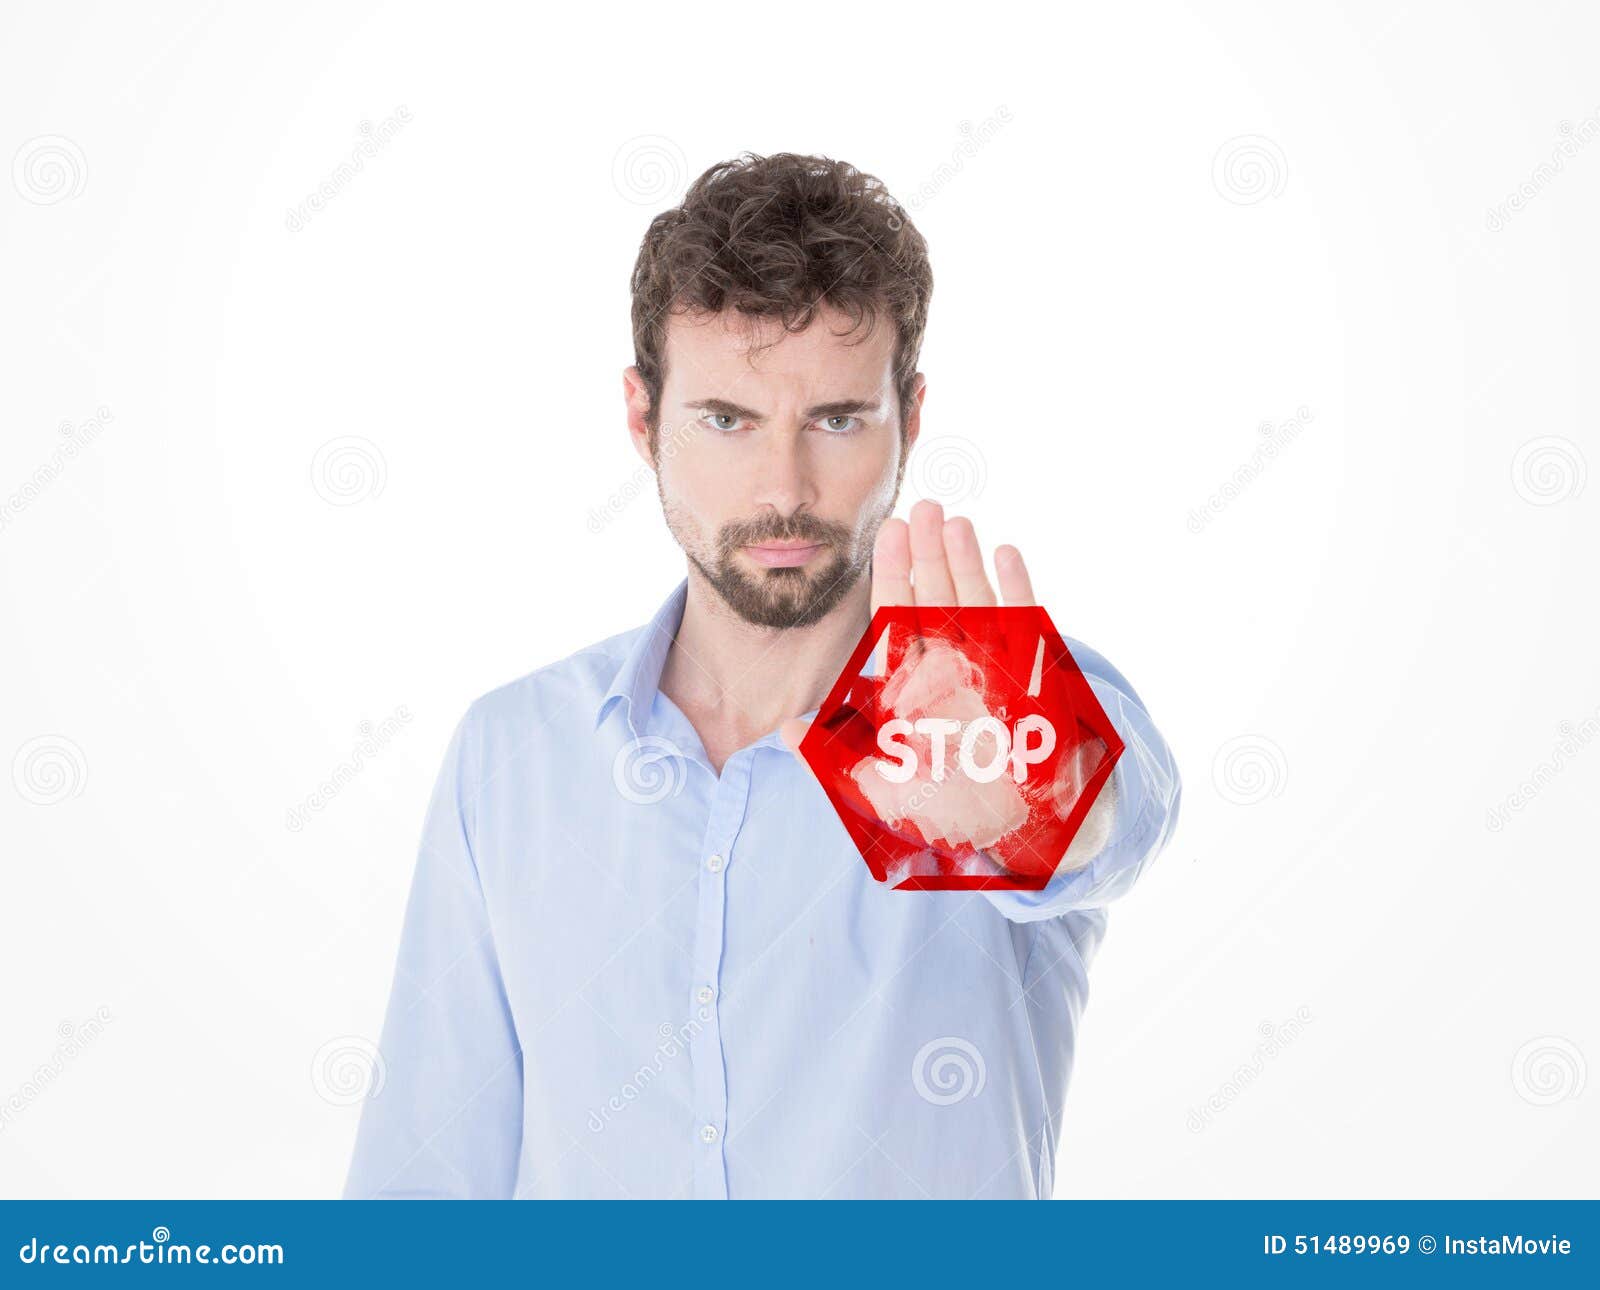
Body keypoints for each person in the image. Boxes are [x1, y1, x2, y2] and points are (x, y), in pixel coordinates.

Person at [343, 152, 1180, 1200]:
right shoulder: (513, 754)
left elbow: (1114, 819)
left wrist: (1034, 807)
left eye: (835, 419)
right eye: (726, 420)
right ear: (642, 418)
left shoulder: (1000, 712)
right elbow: (428, 1173)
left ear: (910, 420)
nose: (783, 490)